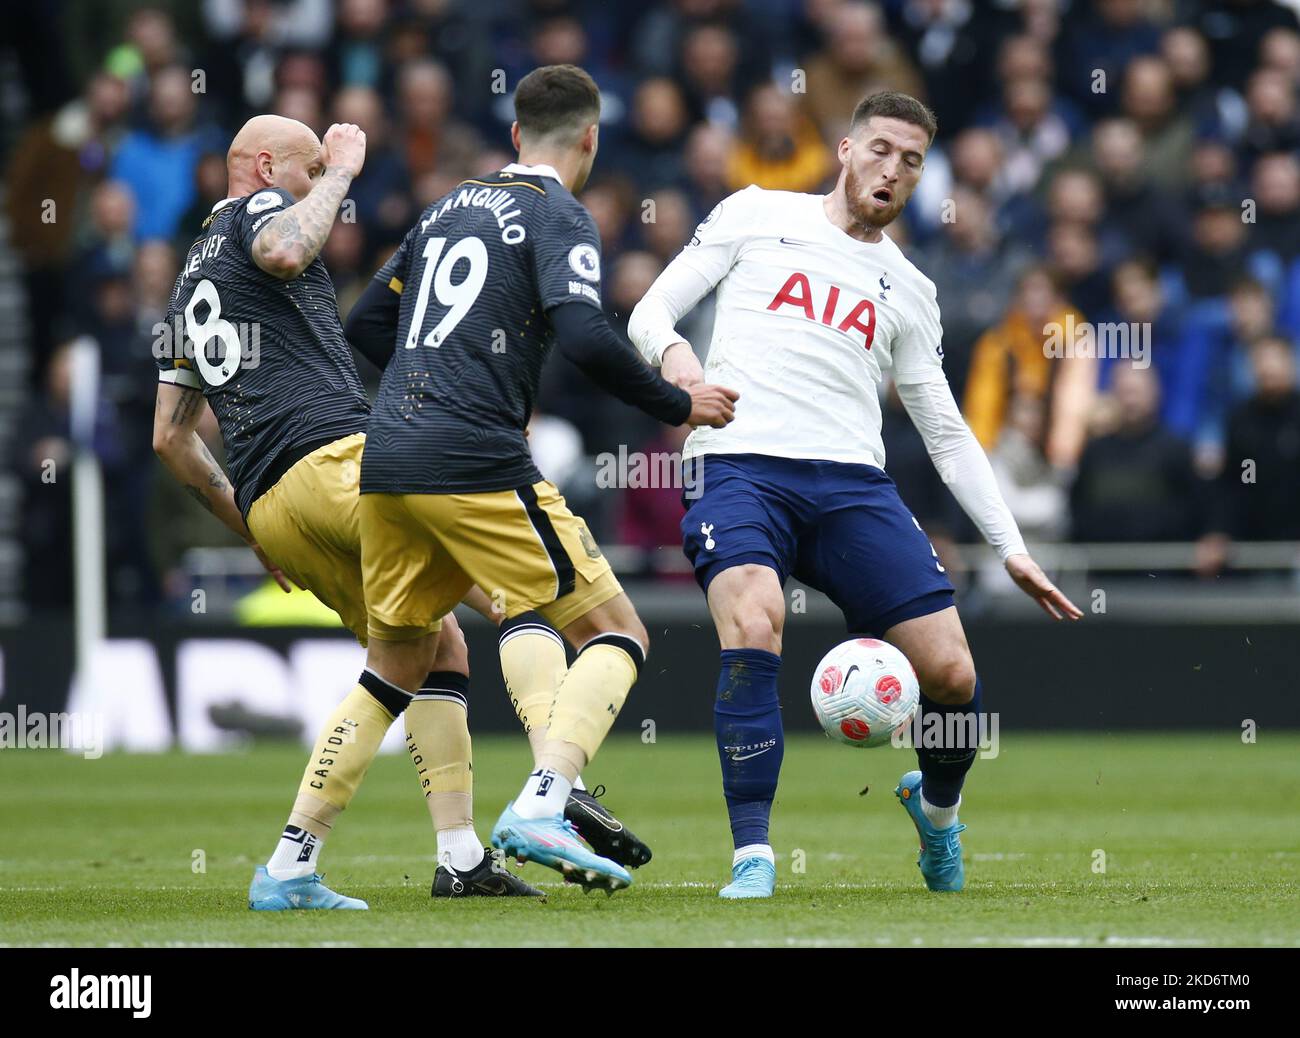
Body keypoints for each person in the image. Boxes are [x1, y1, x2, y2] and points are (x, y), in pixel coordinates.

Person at [628, 90, 1081, 899]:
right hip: (741, 466)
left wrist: (1010, 546)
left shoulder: (909, 286)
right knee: (756, 619)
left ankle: (938, 818)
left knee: (949, 672)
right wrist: (679, 366)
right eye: (880, 149)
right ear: (844, 149)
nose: (892, 169)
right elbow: (653, 308)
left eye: (911, 161)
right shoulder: (756, 211)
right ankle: (754, 855)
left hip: (851, 486)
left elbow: (944, 432)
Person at [344, 64, 737, 893]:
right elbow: (588, 335)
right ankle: (547, 795)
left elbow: (366, 322)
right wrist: (678, 401)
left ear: (516, 135)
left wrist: (438, 382)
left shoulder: (446, 205)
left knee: (399, 663)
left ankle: (295, 860)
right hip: (469, 456)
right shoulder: (560, 215)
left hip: (387, 457)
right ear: (590, 139)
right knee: (615, 631)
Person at [152, 114, 541, 908]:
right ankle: (558, 784)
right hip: (337, 461)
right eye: (309, 166)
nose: (322, 181)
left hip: (274, 501)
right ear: (265, 165)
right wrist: (346, 171)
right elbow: (288, 246)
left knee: (430, 650)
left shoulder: (190, 279)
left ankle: (383, 859)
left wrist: (249, 524)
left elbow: (169, 436)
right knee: (519, 582)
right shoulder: (261, 215)